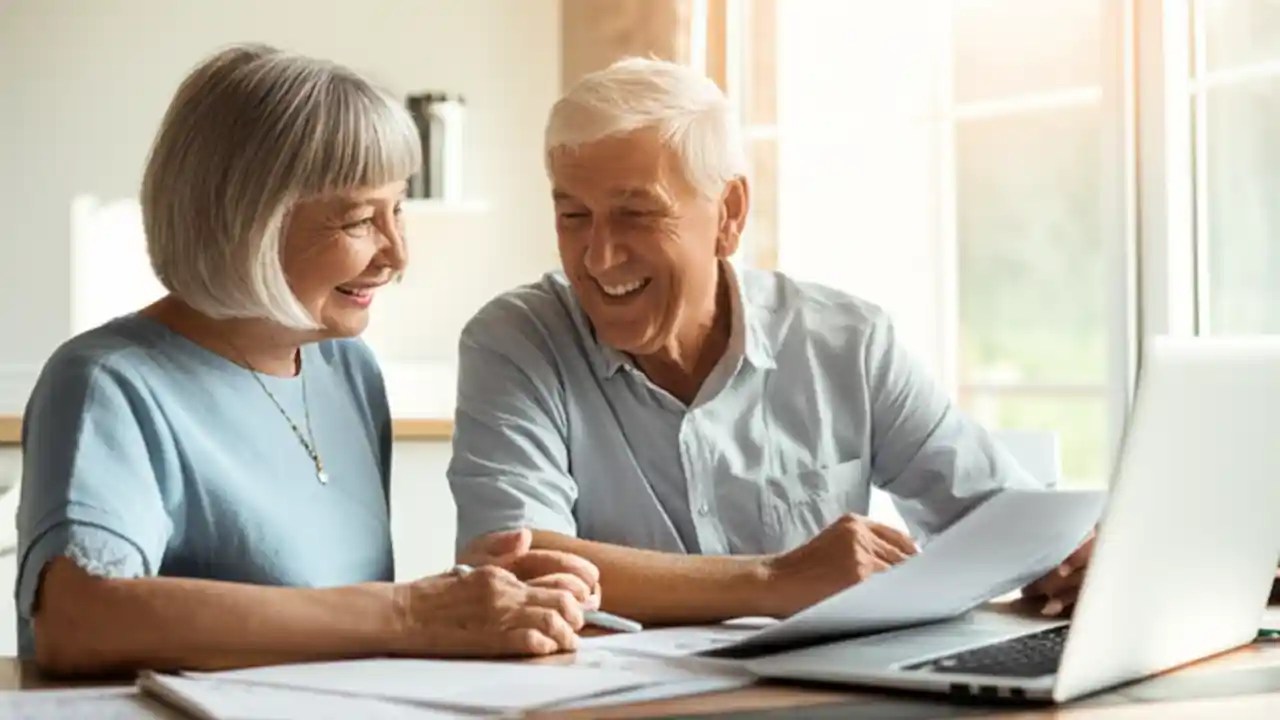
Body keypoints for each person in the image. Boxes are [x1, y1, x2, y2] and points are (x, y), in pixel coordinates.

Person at [15, 44, 597, 676]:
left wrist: (470, 595)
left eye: (398, 208)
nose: (396, 255)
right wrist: (413, 613)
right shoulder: (109, 382)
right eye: (357, 221)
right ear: (246, 223)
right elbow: (80, 620)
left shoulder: (347, 370)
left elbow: (325, 621)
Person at [448, 57, 1092, 626]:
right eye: (573, 216)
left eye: (636, 214)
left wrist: (1067, 560)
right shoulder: (514, 343)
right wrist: (777, 581)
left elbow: (1005, 520)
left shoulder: (849, 343)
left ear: (728, 215)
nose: (599, 256)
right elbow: (516, 563)